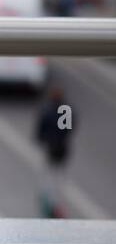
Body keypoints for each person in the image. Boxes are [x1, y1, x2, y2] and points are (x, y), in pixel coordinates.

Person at [34, 85, 73, 218]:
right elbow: (68, 130)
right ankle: (58, 205)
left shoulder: (47, 110)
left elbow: (40, 130)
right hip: (62, 148)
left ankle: (50, 205)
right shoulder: (66, 110)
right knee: (60, 177)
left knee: (49, 176)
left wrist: (43, 138)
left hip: (51, 148)